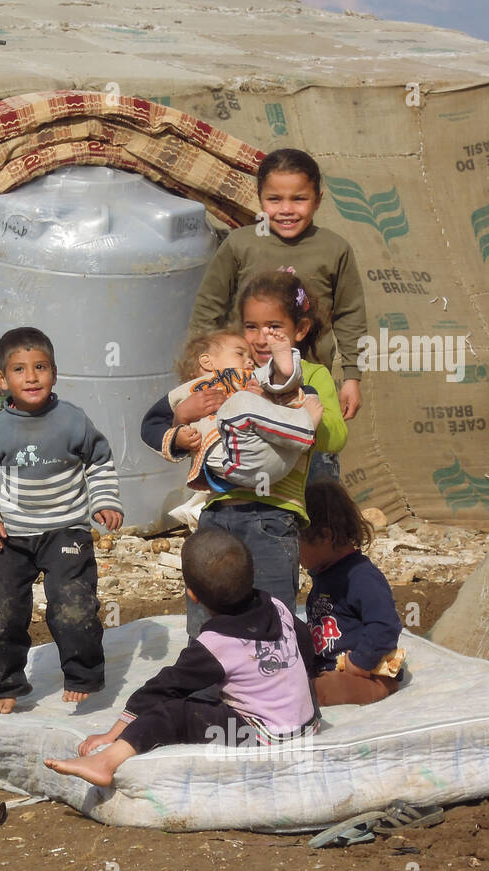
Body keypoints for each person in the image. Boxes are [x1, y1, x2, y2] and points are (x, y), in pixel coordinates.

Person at [143, 272, 348, 639]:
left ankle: (275, 685)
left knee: (272, 613)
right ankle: (207, 685)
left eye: (274, 327)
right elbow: (154, 422)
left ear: (299, 330)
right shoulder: (229, 375)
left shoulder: (306, 374)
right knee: (207, 612)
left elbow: (335, 434)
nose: (260, 337)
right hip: (218, 510)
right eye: (251, 327)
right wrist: (182, 420)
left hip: (273, 513)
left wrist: (286, 399)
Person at [44, 527, 318, 786]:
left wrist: (112, 733)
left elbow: (164, 687)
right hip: (308, 726)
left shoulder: (216, 643)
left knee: (176, 711)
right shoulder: (277, 606)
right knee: (205, 701)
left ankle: (105, 761)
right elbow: (304, 642)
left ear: (192, 596)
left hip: (262, 738)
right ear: (252, 575)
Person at [186, 148, 368, 479]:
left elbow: (350, 314)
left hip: (310, 379)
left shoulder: (334, 249)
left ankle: (316, 524)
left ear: (318, 200)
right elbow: (208, 307)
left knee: (315, 467)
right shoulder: (241, 245)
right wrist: (200, 370)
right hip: (247, 381)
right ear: (259, 199)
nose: (286, 210)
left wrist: (353, 377)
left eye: (299, 199)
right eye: (274, 199)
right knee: (252, 462)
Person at [0, 326, 124, 712]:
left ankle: (83, 675)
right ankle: (7, 683)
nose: (31, 376)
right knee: (0, 613)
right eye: (19, 370)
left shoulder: (72, 420)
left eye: (40, 367)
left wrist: (105, 500)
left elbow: (99, 462)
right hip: (13, 536)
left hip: (66, 530)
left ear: (54, 372)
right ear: (3, 379)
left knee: (72, 605)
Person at [169, 327, 318, 495]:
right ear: (207, 362)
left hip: (274, 453)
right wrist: (180, 420)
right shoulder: (190, 392)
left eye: (250, 357)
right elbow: (163, 428)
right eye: (240, 354)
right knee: (242, 401)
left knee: (290, 392)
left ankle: (283, 371)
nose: (249, 362)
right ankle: (304, 425)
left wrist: (266, 398)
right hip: (229, 458)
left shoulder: (246, 380)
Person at [301, 480, 405, 706]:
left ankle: (379, 690)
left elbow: (385, 625)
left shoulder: (360, 576)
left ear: (325, 536)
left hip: (364, 672)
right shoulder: (323, 576)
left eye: (297, 540)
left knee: (320, 691)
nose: (293, 549)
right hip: (329, 668)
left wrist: (360, 662)